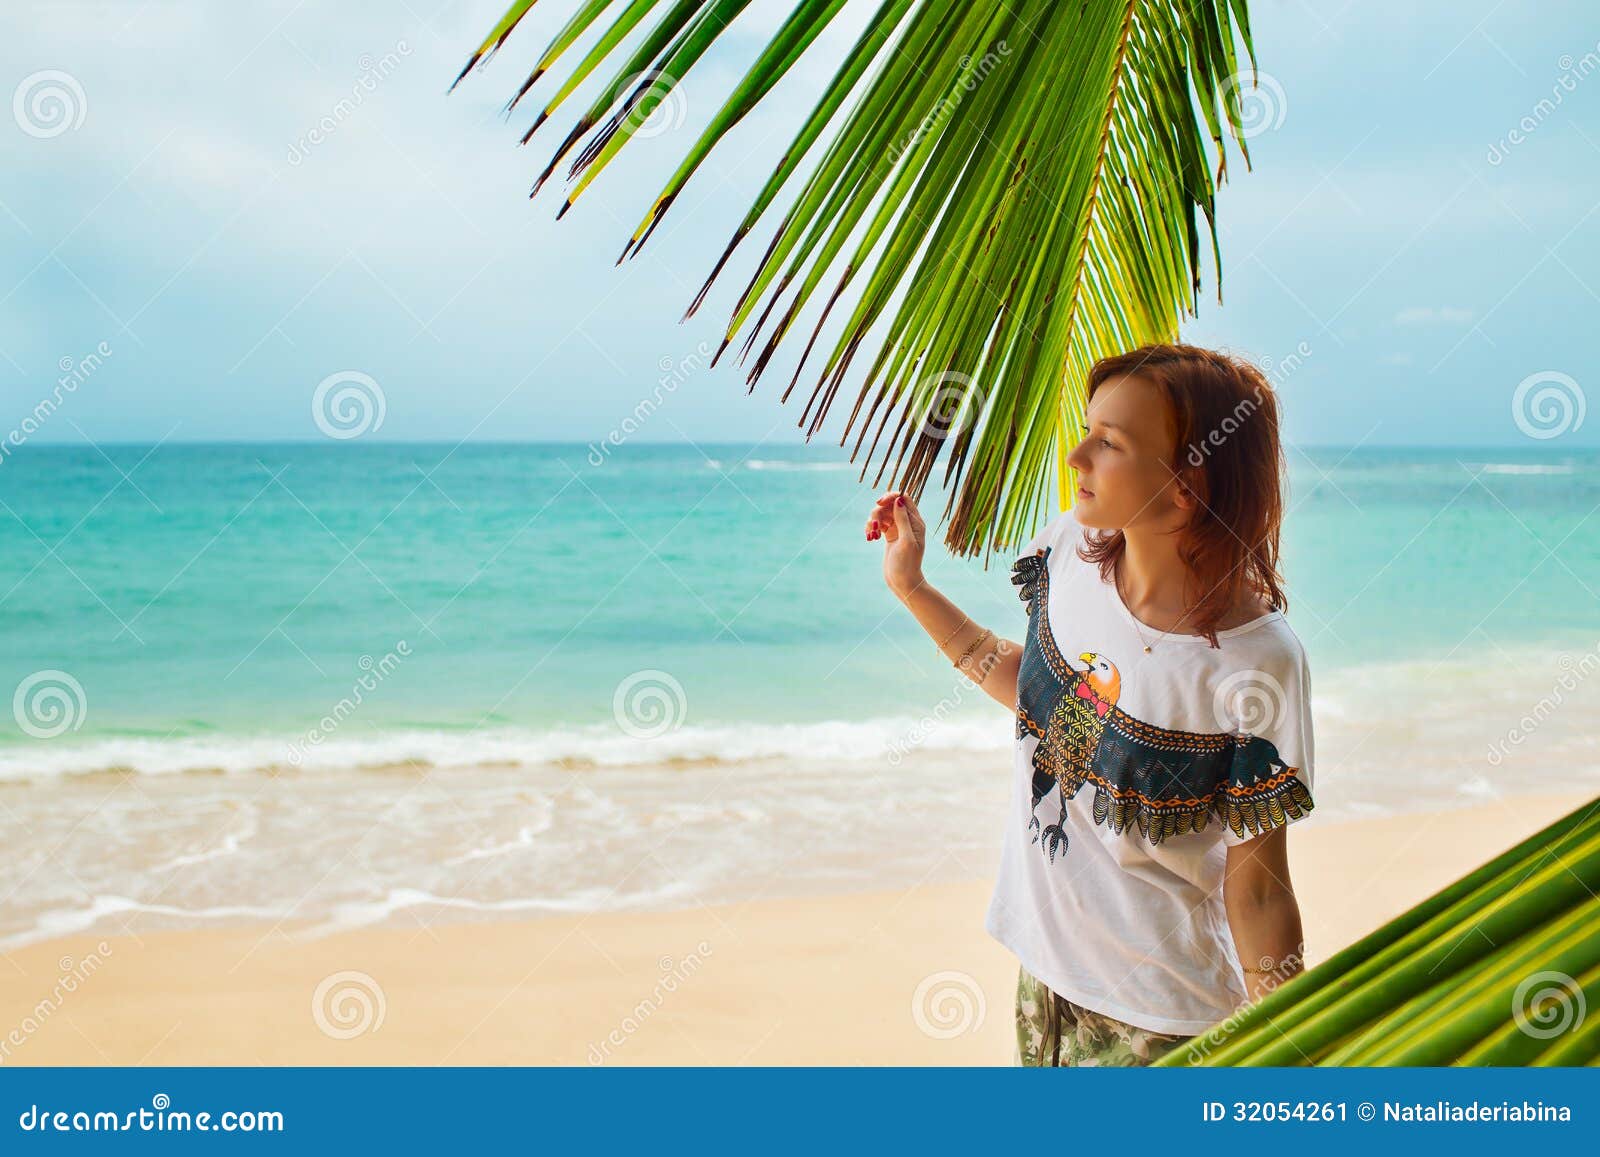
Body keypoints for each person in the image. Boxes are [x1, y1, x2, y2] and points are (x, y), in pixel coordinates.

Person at [866, 342, 1317, 1067]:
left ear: (1184, 487)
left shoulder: (1256, 663)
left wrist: (1291, 1045)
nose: (1076, 456)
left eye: (1108, 443)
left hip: (1161, 1024)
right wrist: (912, 587)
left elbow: (1259, 891)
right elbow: (1038, 700)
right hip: (1044, 981)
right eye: (1087, 430)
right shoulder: (1075, 551)